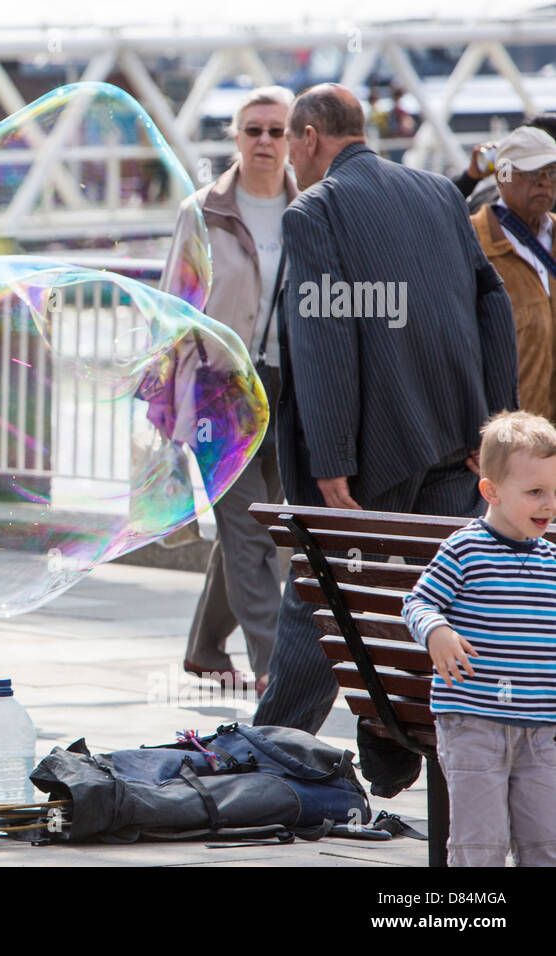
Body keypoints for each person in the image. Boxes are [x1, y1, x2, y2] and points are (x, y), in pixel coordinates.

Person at [254, 83, 517, 735]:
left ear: (310, 138)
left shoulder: (315, 211)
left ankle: (272, 751)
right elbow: (494, 305)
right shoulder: (438, 193)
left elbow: (325, 340)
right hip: (459, 444)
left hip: (379, 451)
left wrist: (334, 458)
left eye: (290, 142)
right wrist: (493, 429)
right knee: (433, 599)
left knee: (325, 599)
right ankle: (396, 748)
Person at [169, 86, 298, 699]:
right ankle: (275, 669)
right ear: (236, 137)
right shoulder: (203, 212)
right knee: (248, 527)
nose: (266, 141)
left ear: (295, 137)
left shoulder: (313, 208)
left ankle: (203, 645)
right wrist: (174, 403)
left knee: (259, 528)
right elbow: (175, 310)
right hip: (222, 390)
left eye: (277, 130)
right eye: (254, 130)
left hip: (289, 388)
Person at [403, 411, 556, 866]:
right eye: (534, 493)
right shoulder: (465, 548)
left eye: (554, 491)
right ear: (490, 491)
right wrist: (438, 631)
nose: (548, 505)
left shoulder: (552, 558)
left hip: (543, 726)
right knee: (479, 844)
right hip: (474, 721)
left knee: (546, 843)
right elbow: (418, 603)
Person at [470, 127, 556, 420]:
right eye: (533, 173)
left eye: (552, 172)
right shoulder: (471, 241)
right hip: (510, 435)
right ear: (502, 175)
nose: (545, 184)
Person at [454, 114, 556, 213]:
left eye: (552, 172)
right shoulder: (485, 202)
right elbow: (441, 208)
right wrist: (470, 178)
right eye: (531, 171)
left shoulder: (486, 203)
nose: (544, 182)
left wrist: (469, 178)